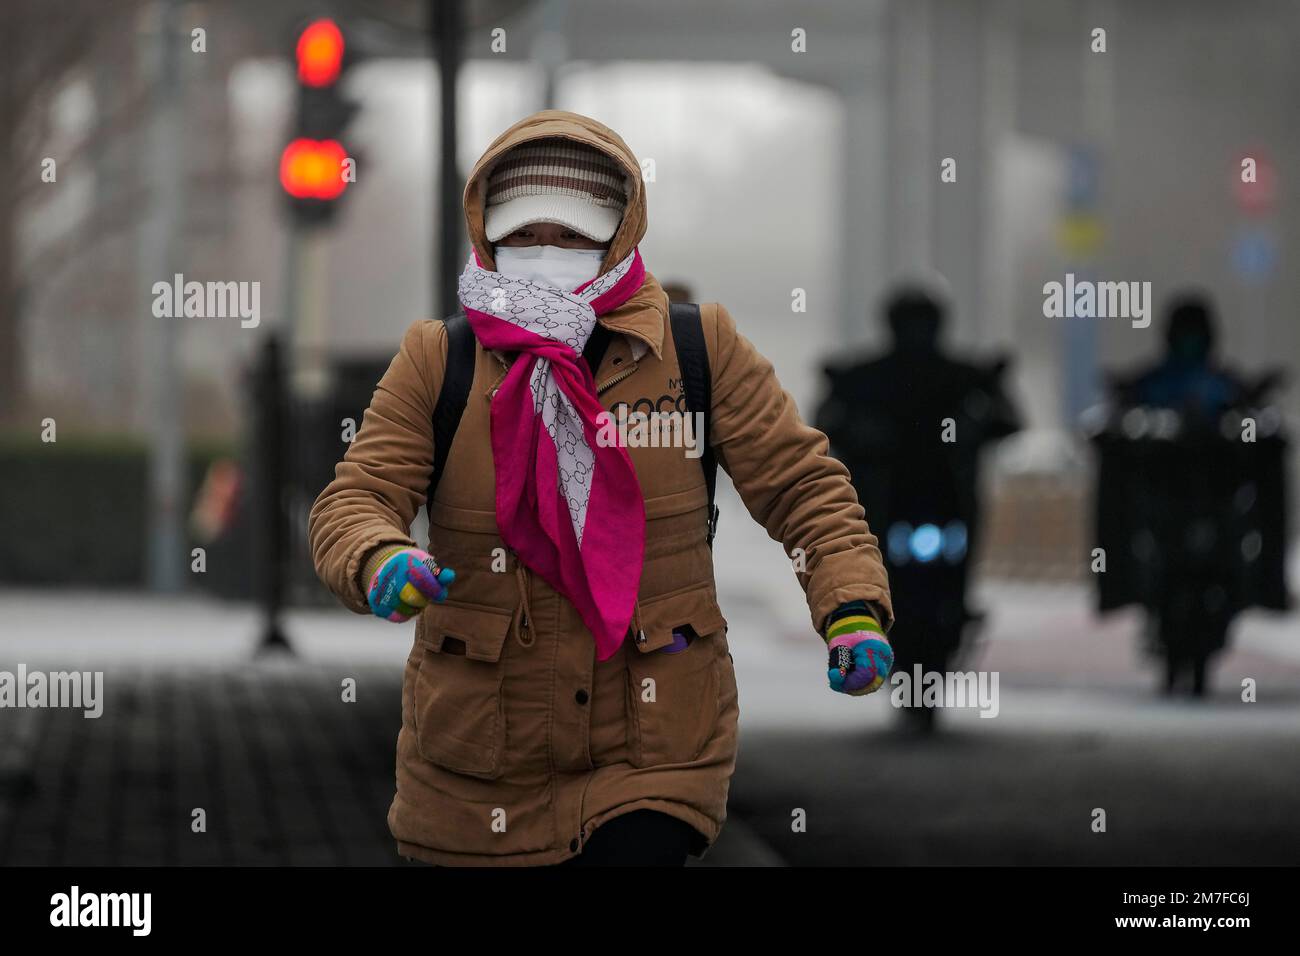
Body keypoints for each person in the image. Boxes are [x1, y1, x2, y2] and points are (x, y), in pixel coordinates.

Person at [308, 110, 894, 866]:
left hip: (653, 753)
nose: (545, 252)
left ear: (619, 230)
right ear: (487, 233)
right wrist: (378, 559)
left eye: (571, 233)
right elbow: (355, 497)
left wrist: (849, 607)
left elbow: (803, 489)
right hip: (477, 766)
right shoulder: (438, 357)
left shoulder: (697, 349)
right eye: (522, 233)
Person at [816, 284, 1019, 731]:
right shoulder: (866, 376)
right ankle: (873, 611)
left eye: (922, 325)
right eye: (909, 325)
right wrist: (859, 435)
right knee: (869, 568)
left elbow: (1008, 420)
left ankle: (959, 604)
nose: (916, 335)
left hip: (946, 499)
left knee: (962, 556)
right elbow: (825, 421)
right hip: (887, 505)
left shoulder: (961, 375)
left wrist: (982, 420)